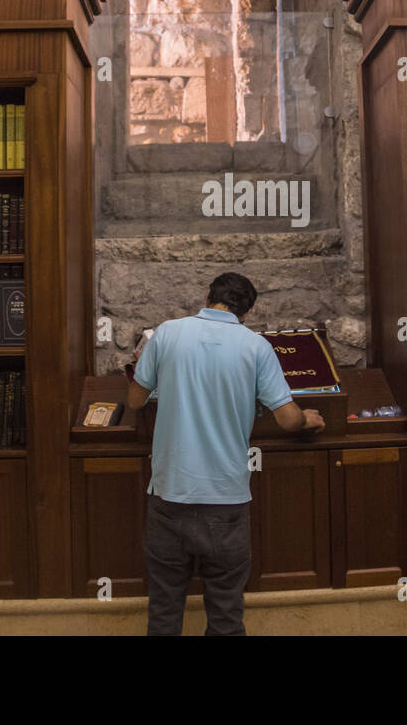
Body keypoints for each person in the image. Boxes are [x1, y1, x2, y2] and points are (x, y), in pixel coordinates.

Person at [125, 272, 326, 635]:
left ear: (208, 297)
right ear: (246, 313)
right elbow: (286, 419)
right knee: (226, 616)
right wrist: (307, 419)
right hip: (226, 502)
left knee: (164, 612)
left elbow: (135, 400)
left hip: (170, 497)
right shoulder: (256, 346)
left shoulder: (168, 332)